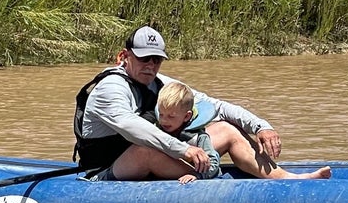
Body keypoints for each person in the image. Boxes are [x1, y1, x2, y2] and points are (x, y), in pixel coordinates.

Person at [74, 25, 328, 180]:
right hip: (109, 168)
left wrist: (261, 126)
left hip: (165, 153)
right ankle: (207, 179)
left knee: (226, 129)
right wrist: (184, 151)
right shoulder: (110, 88)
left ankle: (286, 179)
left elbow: (215, 107)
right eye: (143, 58)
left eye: (156, 59)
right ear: (124, 56)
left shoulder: (159, 83)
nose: (150, 65)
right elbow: (134, 128)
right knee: (146, 149)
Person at [156, 81, 331, 182]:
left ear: (187, 116)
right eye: (161, 115)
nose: (164, 121)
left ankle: (289, 179)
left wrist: (197, 174)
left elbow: (213, 164)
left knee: (228, 128)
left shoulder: (199, 137)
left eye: (171, 116)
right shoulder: (158, 125)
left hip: (188, 165)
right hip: (155, 158)